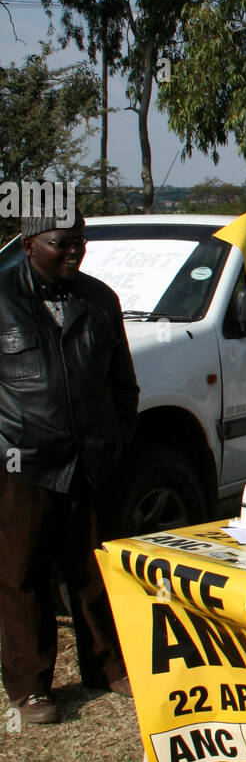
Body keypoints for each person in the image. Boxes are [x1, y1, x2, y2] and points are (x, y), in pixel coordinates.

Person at [0, 207, 139, 724]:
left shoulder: (99, 298)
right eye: (62, 242)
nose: (75, 250)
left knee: (95, 572)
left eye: (79, 241)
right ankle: (31, 688)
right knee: (22, 577)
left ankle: (107, 668)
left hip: (93, 461)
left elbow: (123, 382)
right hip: (23, 465)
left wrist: (119, 435)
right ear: (30, 242)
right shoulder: (3, 297)